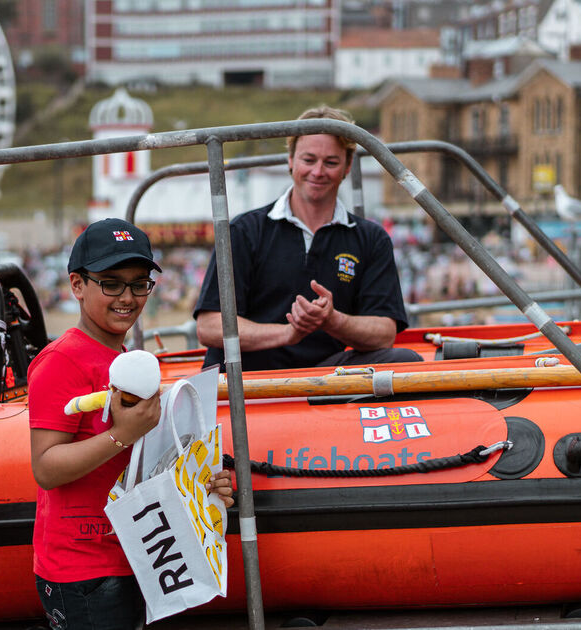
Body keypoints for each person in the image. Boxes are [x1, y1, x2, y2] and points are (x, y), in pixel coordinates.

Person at [28, 218, 234, 630]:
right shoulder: (61, 361)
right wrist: (121, 435)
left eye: (139, 284)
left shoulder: (127, 363)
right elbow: (46, 468)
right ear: (77, 284)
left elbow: (146, 462)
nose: (127, 297)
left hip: (138, 556)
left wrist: (200, 483)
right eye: (111, 283)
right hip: (82, 568)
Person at [194, 105, 422, 371]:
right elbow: (208, 326)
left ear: (348, 166)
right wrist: (288, 333)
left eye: (331, 162)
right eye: (309, 160)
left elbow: (384, 333)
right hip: (247, 380)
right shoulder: (244, 230)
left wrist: (333, 320)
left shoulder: (371, 239)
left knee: (406, 362)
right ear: (290, 160)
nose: (318, 172)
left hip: (323, 378)